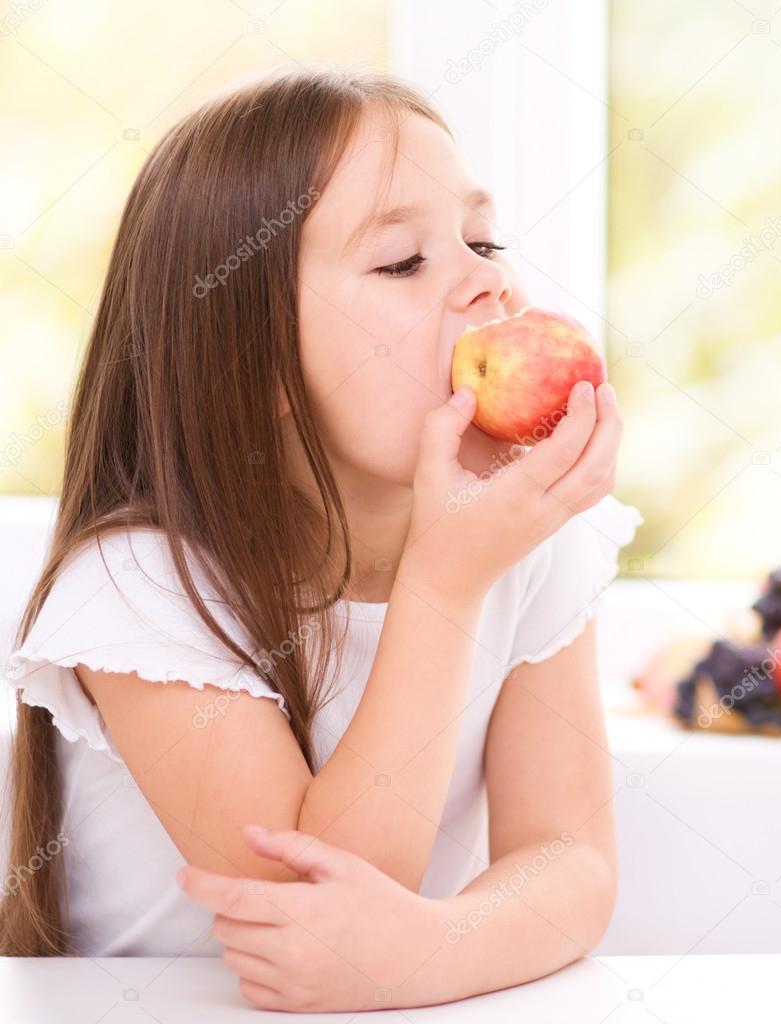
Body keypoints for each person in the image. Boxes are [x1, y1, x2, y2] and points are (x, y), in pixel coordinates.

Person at [1, 66, 642, 1011]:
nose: (489, 283)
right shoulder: (138, 587)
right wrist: (445, 583)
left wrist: (437, 949)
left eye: (481, 239)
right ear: (244, 355)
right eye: (401, 262)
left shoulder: (523, 544)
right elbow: (312, 910)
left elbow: (569, 858)